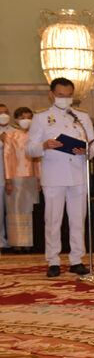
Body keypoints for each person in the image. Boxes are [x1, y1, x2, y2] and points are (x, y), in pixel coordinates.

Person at [26, 77, 94, 277]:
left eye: (68, 96)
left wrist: (85, 151)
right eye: (60, 96)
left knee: (77, 219)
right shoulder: (41, 118)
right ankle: (53, 261)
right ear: (51, 95)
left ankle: (77, 260)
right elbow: (29, 149)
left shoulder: (82, 117)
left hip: (77, 175)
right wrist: (44, 145)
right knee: (53, 220)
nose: (65, 99)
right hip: (54, 177)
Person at [4, 107, 41, 253]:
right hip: (16, 177)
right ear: (16, 120)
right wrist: (8, 179)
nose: (26, 120)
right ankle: (17, 243)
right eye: (22, 117)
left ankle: (29, 242)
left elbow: (38, 159)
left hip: (31, 177)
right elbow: (6, 158)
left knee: (30, 210)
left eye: (28, 117)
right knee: (16, 210)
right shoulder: (11, 136)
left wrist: (40, 178)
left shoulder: (35, 137)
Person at [0, 103, 15, 252]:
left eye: (6, 112)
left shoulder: (14, 131)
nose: (3, 115)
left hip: (13, 176)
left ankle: (14, 240)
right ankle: (1, 242)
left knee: (13, 211)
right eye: (0, 113)